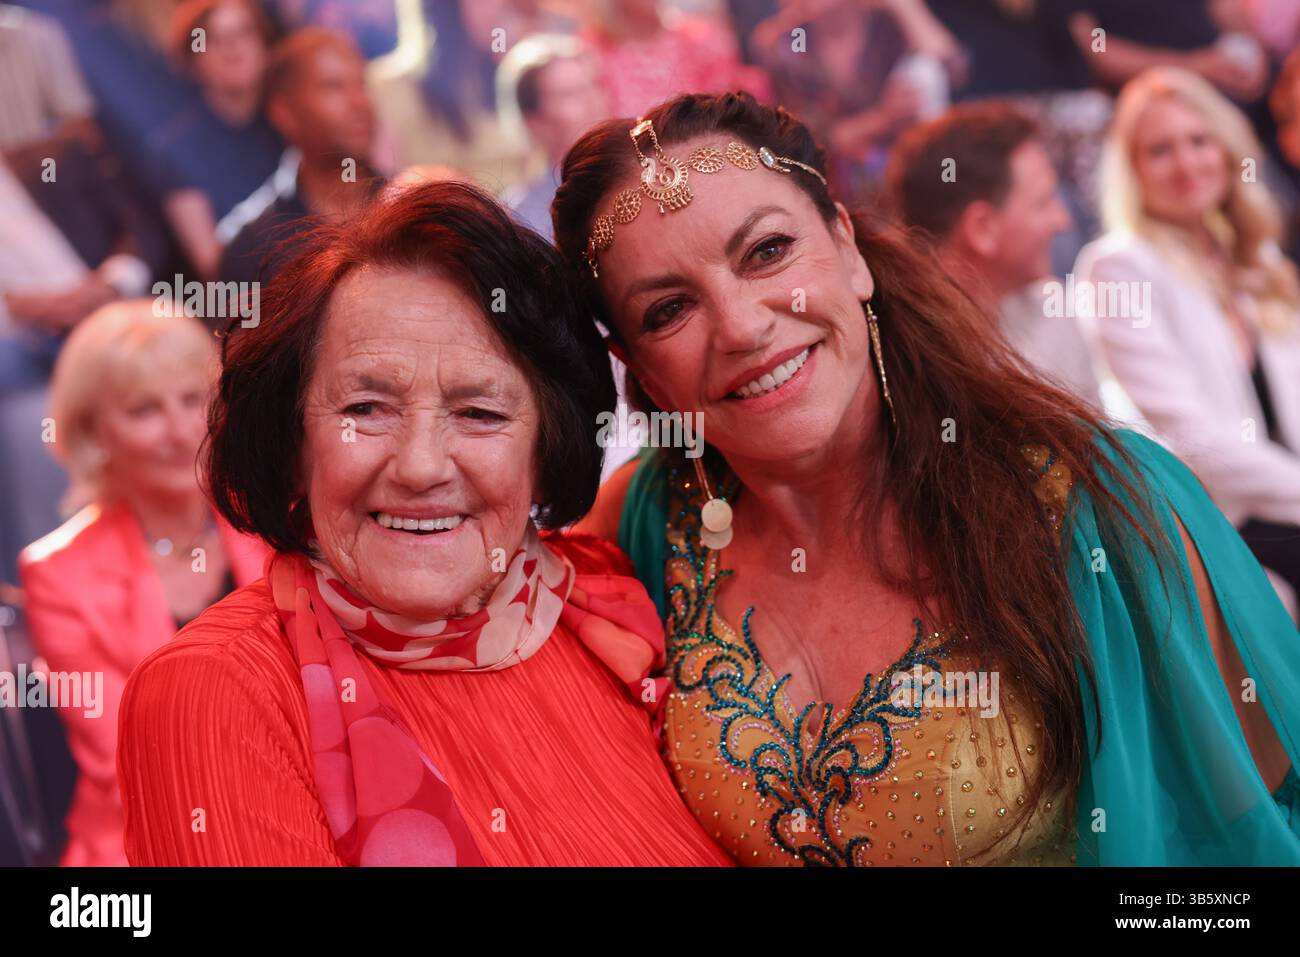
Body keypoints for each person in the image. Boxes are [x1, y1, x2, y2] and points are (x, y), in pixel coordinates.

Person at [552, 91, 1300, 866]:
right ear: (640, 368)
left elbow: (1247, 860)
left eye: (768, 252)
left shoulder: (1102, 510)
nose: (742, 326)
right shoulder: (643, 525)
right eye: (671, 308)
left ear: (847, 249)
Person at [116, 181, 731, 867]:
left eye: (480, 413)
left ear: (548, 445)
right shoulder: (216, 690)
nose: (419, 466)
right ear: (293, 445)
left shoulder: (610, 602)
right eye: (367, 408)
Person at [18, 301, 268, 867]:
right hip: (148, 844)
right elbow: (128, 764)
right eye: (144, 411)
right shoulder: (57, 573)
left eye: (191, 400)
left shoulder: (277, 522)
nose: (180, 433)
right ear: (93, 432)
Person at [1076, 67, 1300, 617]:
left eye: (1199, 141)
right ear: (1133, 171)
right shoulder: (1117, 266)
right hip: (1221, 520)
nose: (1187, 164)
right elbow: (1197, 440)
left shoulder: (1258, 258)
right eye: (1160, 150)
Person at [886, 102, 1102, 407]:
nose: (1063, 221)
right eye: (1043, 203)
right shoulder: (898, 362)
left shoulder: (1052, 310)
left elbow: (1101, 450)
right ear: (982, 229)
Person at [218, 28, 383, 290]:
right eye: (333, 87)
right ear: (284, 113)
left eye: (361, 84)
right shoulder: (253, 247)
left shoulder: (410, 202)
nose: (359, 102)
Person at [149, 0, 284, 279]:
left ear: (265, 45)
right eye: (213, 39)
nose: (232, 48)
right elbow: (213, 265)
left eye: (244, 33)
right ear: (192, 59)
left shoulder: (294, 115)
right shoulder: (177, 149)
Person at [498, 34, 609, 240]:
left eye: (592, 85)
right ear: (535, 122)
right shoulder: (520, 219)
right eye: (570, 94)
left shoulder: (642, 174)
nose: (591, 100)